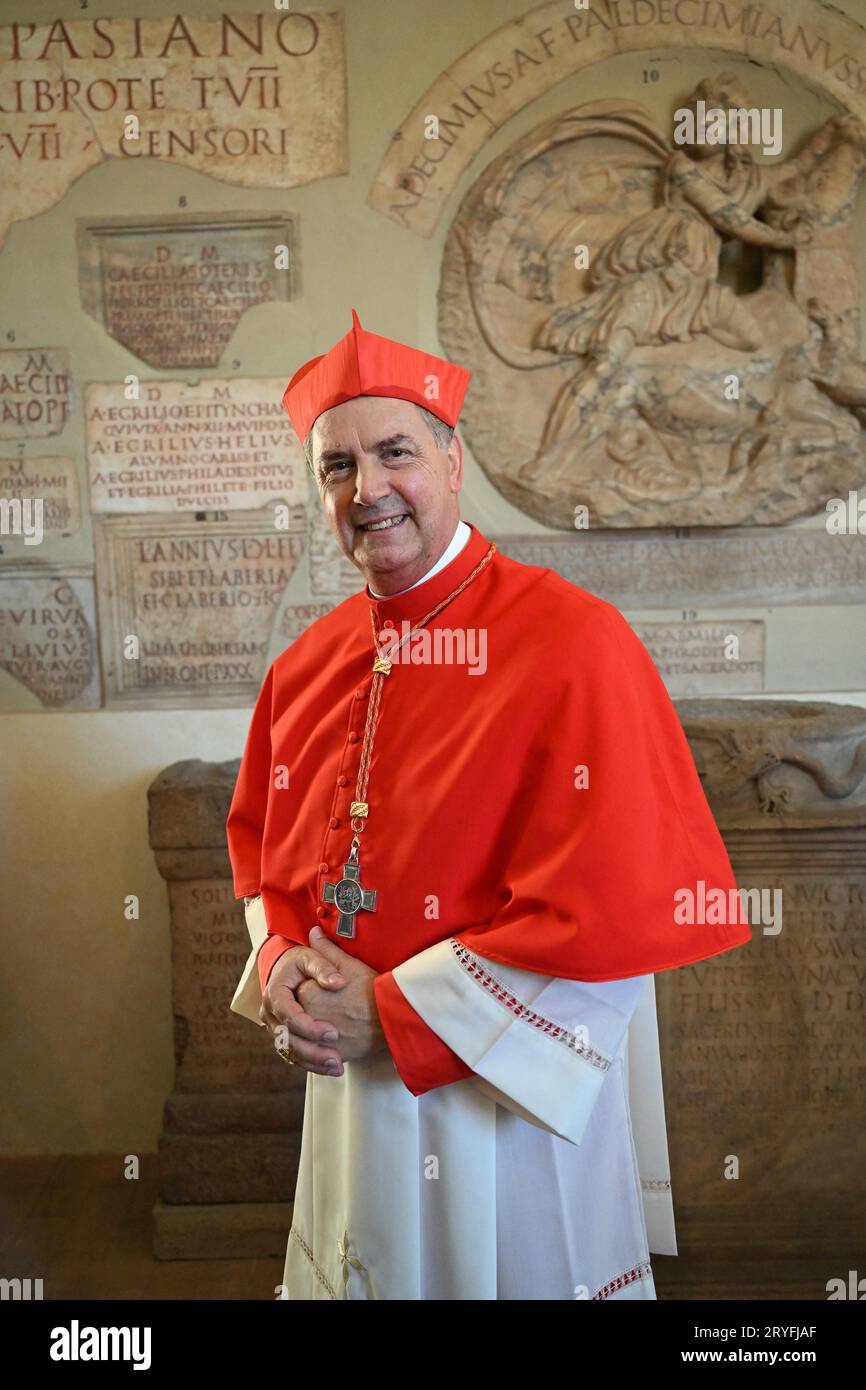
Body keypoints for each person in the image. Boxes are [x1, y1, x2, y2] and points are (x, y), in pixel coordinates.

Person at [226, 308, 752, 1300]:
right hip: (349, 1087)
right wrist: (282, 959)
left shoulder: (575, 643)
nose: (367, 489)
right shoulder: (306, 664)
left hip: (496, 1097)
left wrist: (391, 1012)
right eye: (337, 467)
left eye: (394, 452)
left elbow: (608, 917)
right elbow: (262, 847)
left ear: (453, 459)